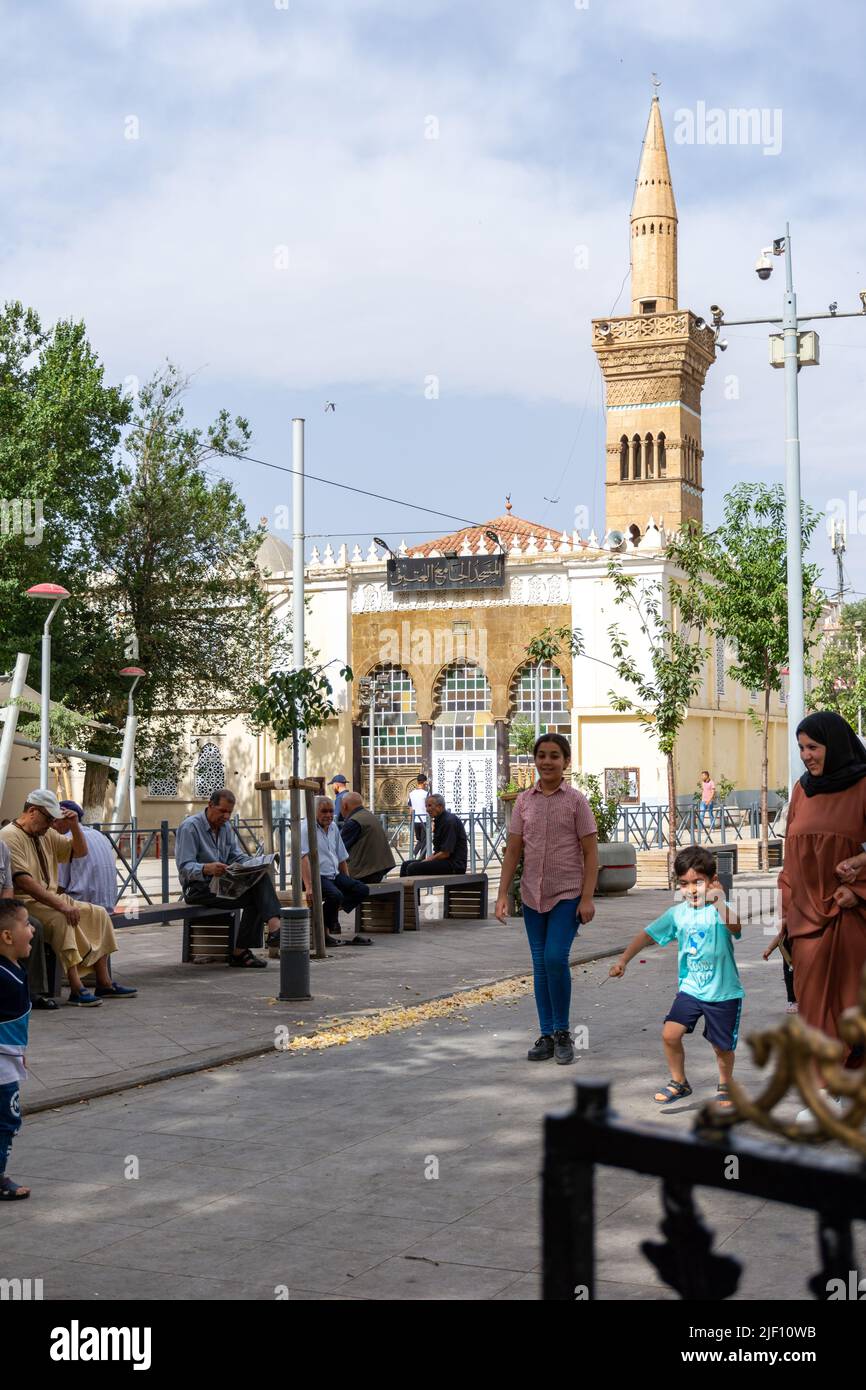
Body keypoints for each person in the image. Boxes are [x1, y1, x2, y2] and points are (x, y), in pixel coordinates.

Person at [609, 845, 743, 1107]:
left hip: (723, 992)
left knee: (722, 1047)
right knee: (670, 1034)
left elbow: (736, 927)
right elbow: (647, 934)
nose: (691, 890)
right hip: (691, 990)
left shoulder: (719, 909)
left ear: (713, 880)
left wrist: (718, 900)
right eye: (684, 884)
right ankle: (679, 1082)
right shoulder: (677, 914)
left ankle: (726, 1084)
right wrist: (623, 960)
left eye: (698, 882)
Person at [495, 734, 598, 1065]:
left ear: (566, 761)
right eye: (541, 755)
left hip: (567, 894)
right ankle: (547, 1034)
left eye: (555, 755)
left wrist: (587, 898)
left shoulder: (576, 801)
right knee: (540, 964)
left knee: (556, 957)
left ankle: (563, 1032)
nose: (547, 761)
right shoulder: (524, 802)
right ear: (535, 760)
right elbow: (513, 849)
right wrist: (502, 894)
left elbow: (590, 852)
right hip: (531, 895)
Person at [776, 711, 866, 1071]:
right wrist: (785, 914)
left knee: (851, 1009)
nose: (806, 754)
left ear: (836, 745)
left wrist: (858, 890)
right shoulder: (802, 790)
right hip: (805, 921)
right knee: (812, 1010)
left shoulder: (862, 786)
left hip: (852, 919)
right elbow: (790, 861)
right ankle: (826, 1092)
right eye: (801, 747)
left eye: (813, 746)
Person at [0, 789, 136, 1007]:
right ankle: (76, 987)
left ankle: (104, 982)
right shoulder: (9, 835)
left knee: (98, 914)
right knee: (62, 919)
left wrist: (74, 826)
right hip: (27, 901)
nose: (51, 824)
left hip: (50, 897)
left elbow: (80, 852)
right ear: (32, 811)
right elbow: (25, 882)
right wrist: (62, 906)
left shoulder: (45, 833)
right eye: (48, 818)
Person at [176, 788, 281, 968]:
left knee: (259, 881)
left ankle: (256, 941)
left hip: (221, 883)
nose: (226, 816)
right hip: (197, 888)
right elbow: (185, 867)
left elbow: (235, 856)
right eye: (222, 811)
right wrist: (207, 869)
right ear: (210, 805)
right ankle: (272, 929)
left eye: (229, 812)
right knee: (257, 896)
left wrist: (256, 864)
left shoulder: (225, 827)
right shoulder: (190, 827)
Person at [300, 797, 370, 946]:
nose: (329, 815)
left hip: (333, 875)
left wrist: (348, 881)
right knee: (335, 895)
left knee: (361, 889)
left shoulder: (333, 827)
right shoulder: (306, 828)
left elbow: (341, 857)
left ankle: (330, 916)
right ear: (314, 812)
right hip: (315, 876)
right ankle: (325, 932)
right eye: (324, 811)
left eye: (331, 811)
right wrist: (309, 886)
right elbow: (303, 859)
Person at [0, 899, 33, 1199]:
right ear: (7, 936)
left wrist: (18, 1050)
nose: (32, 931)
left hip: (8, 1057)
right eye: (26, 924)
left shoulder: (14, 970)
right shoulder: (3, 976)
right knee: (7, 1119)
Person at [0, 835, 55, 1012]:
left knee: (34, 926)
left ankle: (32, 989)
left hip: (1, 909)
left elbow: (8, 887)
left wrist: (5, 913)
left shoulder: (2, 848)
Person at [55, 801, 118, 913]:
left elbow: (60, 886)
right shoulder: (98, 834)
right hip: (109, 905)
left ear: (65, 819)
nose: (52, 825)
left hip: (84, 907)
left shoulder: (67, 838)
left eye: (54, 820)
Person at [399, 794, 468, 877]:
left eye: (430, 806)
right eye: (426, 806)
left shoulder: (449, 821)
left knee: (413, 868)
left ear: (440, 806)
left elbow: (445, 853)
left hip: (454, 865)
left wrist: (427, 860)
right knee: (405, 865)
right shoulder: (439, 820)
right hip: (444, 861)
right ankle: (402, 890)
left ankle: (413, 889)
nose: (427, 809)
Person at [338, 792, 395, 884]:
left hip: (362, 874)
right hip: (378, 871)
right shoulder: (370, 816)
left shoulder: (354, 821)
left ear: (344, 806)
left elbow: (339, 850)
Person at [408, 774, 430, 856]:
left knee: (420, 840)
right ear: (424, 782)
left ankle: (413, 855)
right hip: (424, 820)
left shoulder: (411, 794)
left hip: (415, 821)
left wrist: (411, 822)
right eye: (426, 782)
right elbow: (429, 809)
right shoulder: (426, 794)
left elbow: (410, 808)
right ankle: (421, 859)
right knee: (425, 841)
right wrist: (432, 821)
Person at [699, 770, 716, 837]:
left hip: (709, 801)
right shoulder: (703, 783)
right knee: (701, 814)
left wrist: (709, 800)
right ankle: (701, 828)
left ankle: (712, 828)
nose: (702, 777)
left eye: (703, 775)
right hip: (703, 801)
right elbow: (703, 791)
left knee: (710, 814)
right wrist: (702, 798)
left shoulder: (711, 783)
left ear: (706, 775)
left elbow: (713, 792)